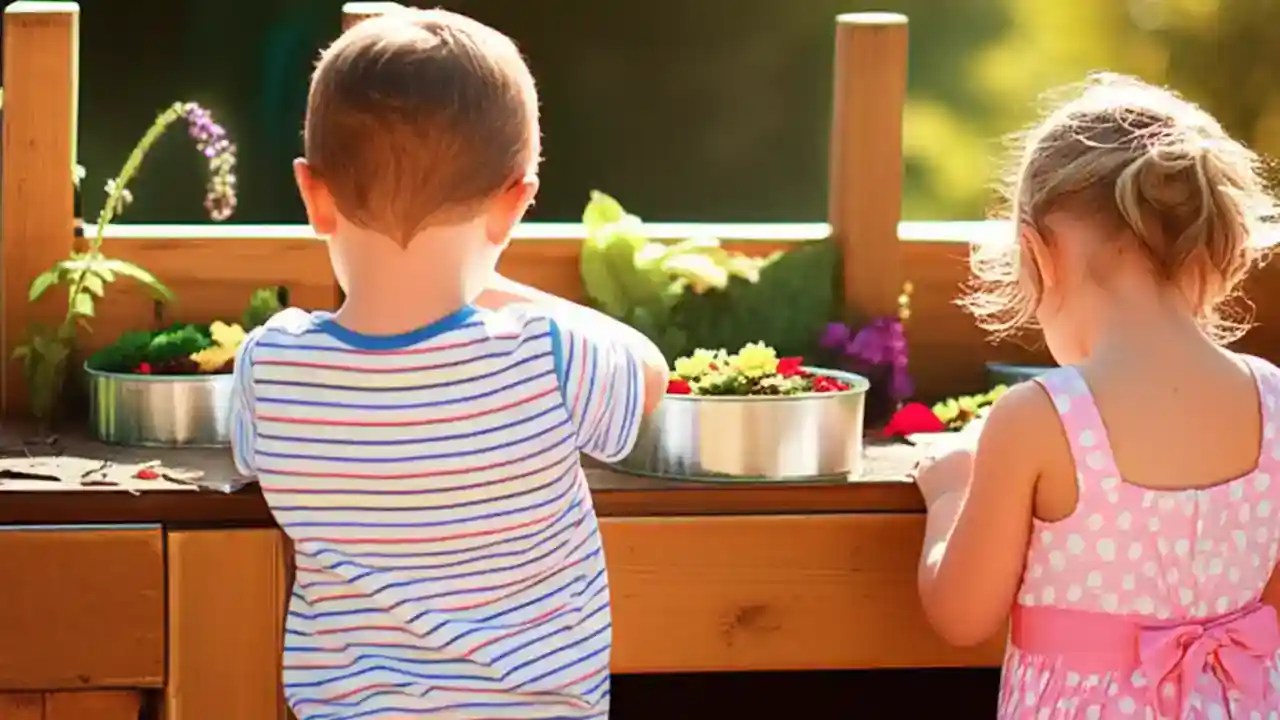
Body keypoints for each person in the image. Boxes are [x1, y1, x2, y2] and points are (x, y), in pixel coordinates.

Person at [228, 9, 667, 719]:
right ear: (514, 204)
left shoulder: (273, 367)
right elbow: (649, 373)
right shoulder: (542, 356)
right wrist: (496, 283)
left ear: (314, 195)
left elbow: (249, 453)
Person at [914, 73, 1280, 719]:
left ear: (1036, 252)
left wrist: (949, 493)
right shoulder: (1273, 401)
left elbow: (962, 615)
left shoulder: (1042, 416)